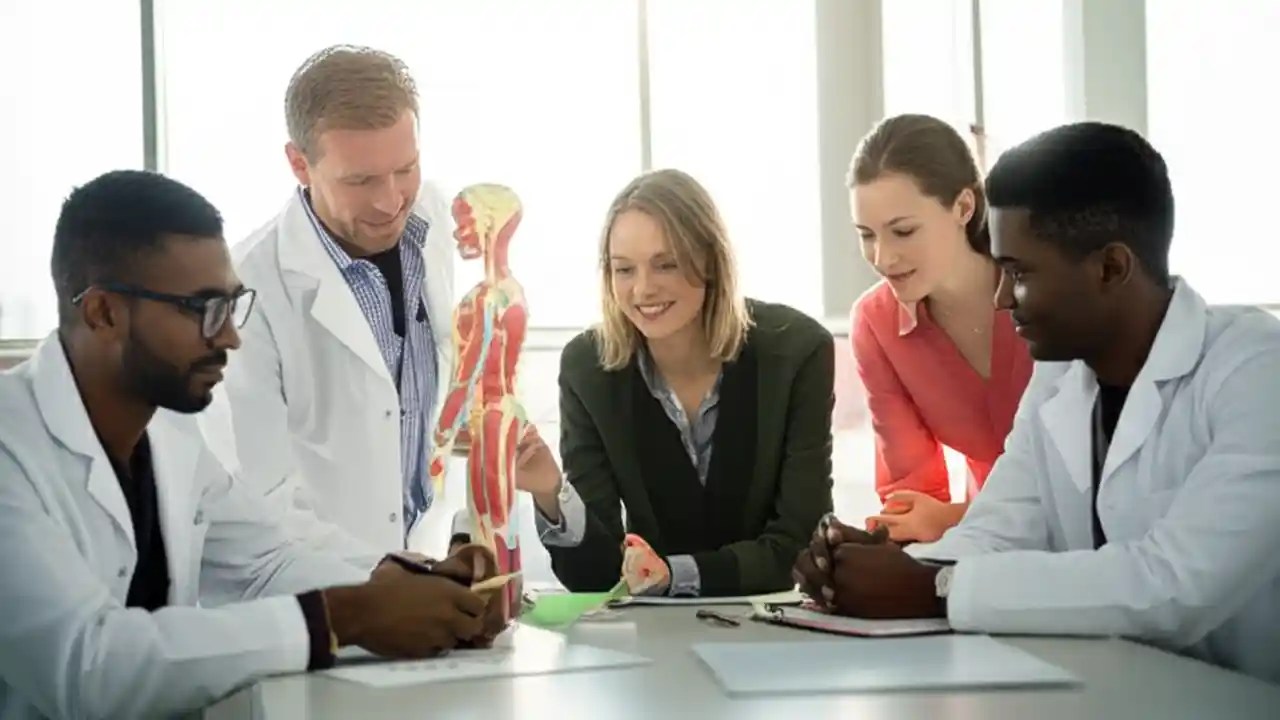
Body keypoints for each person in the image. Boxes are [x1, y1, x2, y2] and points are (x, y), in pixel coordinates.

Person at [0, 171, 503, 719]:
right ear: (103, 313)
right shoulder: (12, 446)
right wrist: (339, 617)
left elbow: (264, 561)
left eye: (231, 305)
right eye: (202, 311)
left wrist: (421, 586)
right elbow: (86, 666)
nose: (230, 337)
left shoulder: (170, 432)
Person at [794, 122, 1280, 683]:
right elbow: (997, 532)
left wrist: (932, 586)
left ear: (1111, 268)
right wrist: (870, 569)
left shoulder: (1256, 371)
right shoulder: (1061, 378)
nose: (1001, 299)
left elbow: (1172, 585)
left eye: (1019, 274)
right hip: (1119, 689)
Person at [515, 168, 835, 596]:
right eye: (624, 270)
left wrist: (671, 575)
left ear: (710, 261)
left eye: (665, 264)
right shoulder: (588, 368)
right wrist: (551, 492)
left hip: (774, 628)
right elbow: (595, 577)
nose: (643, 289)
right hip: (655, 637)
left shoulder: (797, 351)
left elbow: (798, 546)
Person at [200, 44, 455, 559]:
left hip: (429, 566)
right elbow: (262, 498)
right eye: (360, 180)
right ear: (299, 163)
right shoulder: (247, 288)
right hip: (322, 596)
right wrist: (380, 585)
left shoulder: (434, 219)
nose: (390, 201)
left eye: (405, 168)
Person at [849, 114, 1032, 544]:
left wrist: (951, 520)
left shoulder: (1040, 292)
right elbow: (911, 497)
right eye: (866, 235)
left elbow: (1085, 486)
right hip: (976, 549)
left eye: (903, 231)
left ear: (963, 207)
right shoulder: (876, 325)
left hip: (1086, 539)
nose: (882, 257)